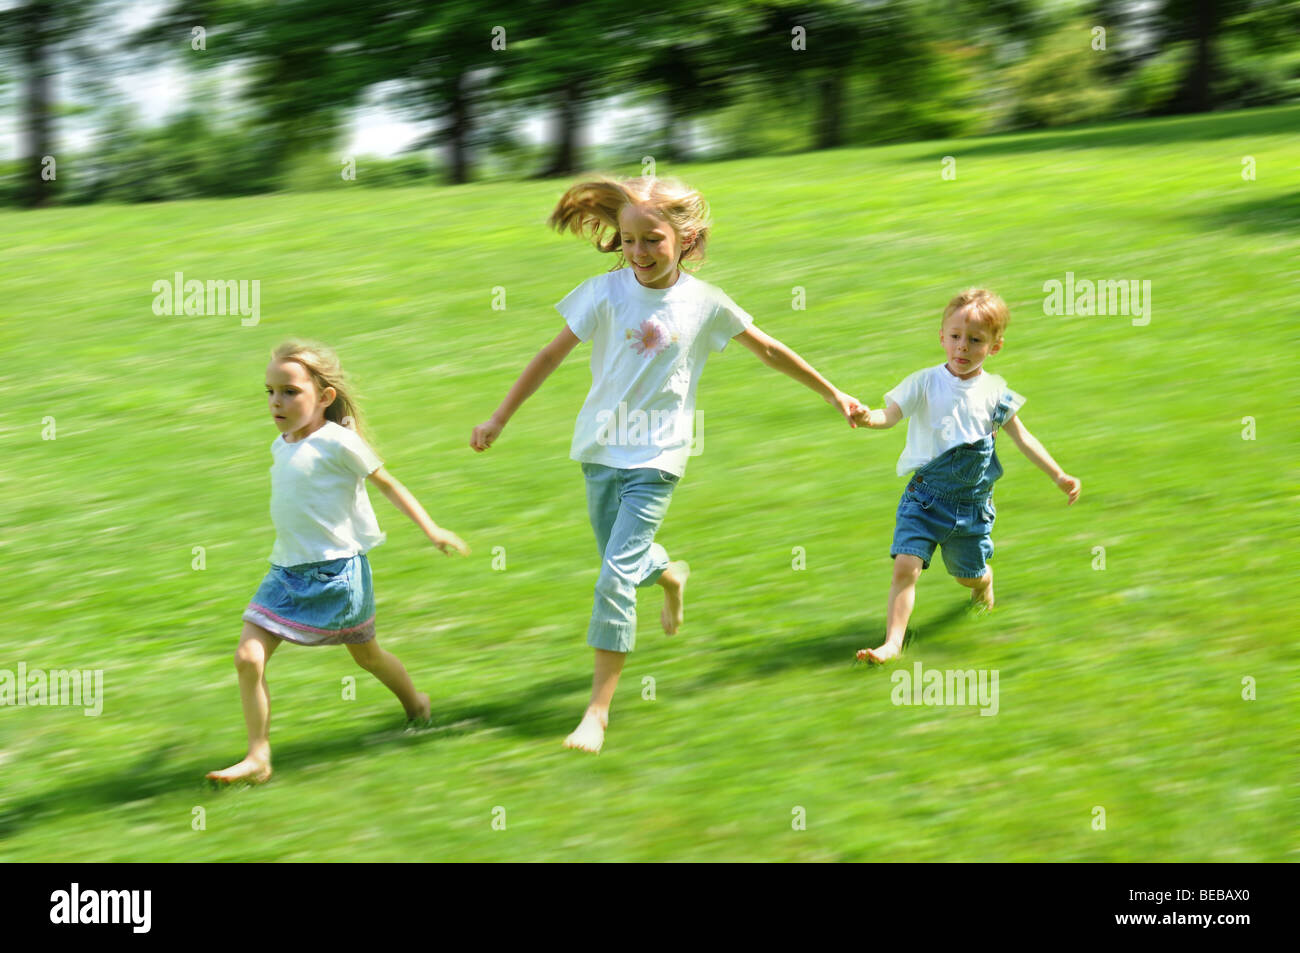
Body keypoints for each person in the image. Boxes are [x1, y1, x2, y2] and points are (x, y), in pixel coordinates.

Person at [471, 174, 862, 753]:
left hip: (659, 456)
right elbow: (549, 355)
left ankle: (597, 713)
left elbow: (769, 350)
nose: (639, 252)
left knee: (613, 578)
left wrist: (834, 394)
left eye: (652, 240)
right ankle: (669, 573)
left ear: (686, 239)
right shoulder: (603, 293)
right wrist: (499, 418)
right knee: (623, 560)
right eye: (629, 240)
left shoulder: (705, 303)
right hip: (600, 450)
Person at [207, 339, 468, 784]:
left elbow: (388, 484)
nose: (276, 402)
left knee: (368, 657)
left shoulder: (339, 443)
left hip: (336, 576)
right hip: (284, 573)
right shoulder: (281, 444)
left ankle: (416, 704)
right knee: (248, 658)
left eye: (290, 392)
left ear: (325, 396)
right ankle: (258, 757)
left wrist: (432, 529)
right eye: (270, 391)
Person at [853, 288, 1081, 663]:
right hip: (923, 499)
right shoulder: (924, 382)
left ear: (995, 346)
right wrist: (867, 418)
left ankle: (982, 583)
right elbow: (889, 416)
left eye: (975, 340)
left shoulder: (995, 393)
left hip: (970, 508)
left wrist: (1059, 475)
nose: (963, 347)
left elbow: (1024, 439)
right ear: (942, 337)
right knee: (905, 567)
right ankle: (893, 643)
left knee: (967, 574)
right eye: (956, 336)